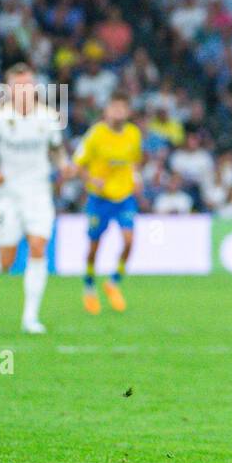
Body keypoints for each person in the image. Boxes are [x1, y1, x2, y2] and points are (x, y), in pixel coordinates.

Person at [0, 64, 67, 334]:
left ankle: (30, 317)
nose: (24, 90)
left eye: (29, 84)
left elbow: (56, 150)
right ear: (9, 89)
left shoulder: (48, 117)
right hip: (9, 196)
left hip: (39, 194)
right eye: (18, 85)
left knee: (38, 247)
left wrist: (64, 166)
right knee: (7, 260)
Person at [73, 92, 142, 314]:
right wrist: (91, 179)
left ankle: (113, 282)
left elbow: (134, 161)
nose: (118, 113)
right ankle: (89, 286)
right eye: (114, 108)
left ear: (128, 112)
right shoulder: (95, 135)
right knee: (94, 246)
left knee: (129, 241)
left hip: (124, 197)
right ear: (106, 111)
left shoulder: (133, 134)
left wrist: (136, 178)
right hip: (99, 198)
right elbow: (78, 164)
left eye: (122, 108)